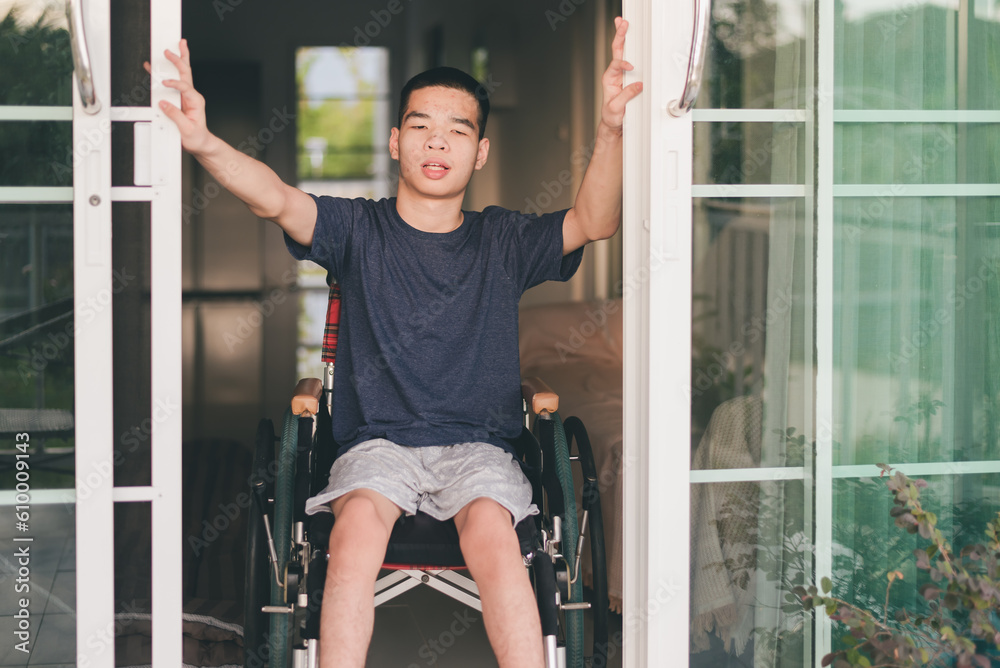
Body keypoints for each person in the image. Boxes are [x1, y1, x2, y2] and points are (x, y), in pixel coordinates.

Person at [154, 17, 641, 668]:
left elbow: (594, 221)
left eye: (457, 130)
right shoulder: (357, 229)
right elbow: (274, 199)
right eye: (420, 125)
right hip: (377, 448)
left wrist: (610, 129)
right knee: (354, 533)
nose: (437, 141)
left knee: (495, 537)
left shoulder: (503, 240)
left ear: (480, 152)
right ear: (395, 140)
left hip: (481, 449)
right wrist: (203, 142)